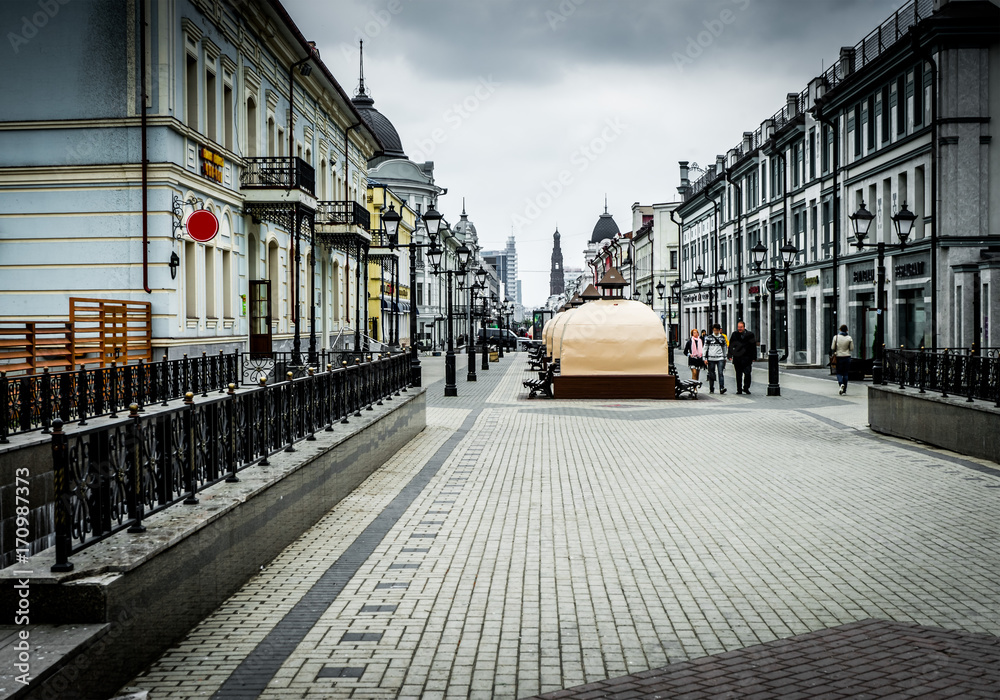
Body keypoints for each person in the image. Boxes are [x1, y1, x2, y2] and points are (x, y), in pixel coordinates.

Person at [728, 321, 757, 394]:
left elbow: (753, 346)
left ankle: (746, 387)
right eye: (738, 327)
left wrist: (754, 357)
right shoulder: (734, 334)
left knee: (747, 373)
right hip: (737, 357)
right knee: (738, 374)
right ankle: (739, 389)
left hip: (747, 357)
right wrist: (730, 355)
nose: (739, 329)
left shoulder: (750, 335)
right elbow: (731, 345)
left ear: (744, 327)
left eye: (741, 327)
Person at [703, 323, 728, 394]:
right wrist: (704, 358)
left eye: (717, 330)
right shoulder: (709, 338)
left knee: (720, 373)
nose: (716, 332)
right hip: (711, 358)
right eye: (714, 330)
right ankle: (711, 388)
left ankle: (721, 387)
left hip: (720, 358)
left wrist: (725, 357)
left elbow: (724, 348)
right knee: (711, 373)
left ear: (719, 330)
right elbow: (705, 348)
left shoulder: (722, 338)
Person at [831, 324, 855, 395]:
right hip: (847, 356)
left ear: (840, 330)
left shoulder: (836, 337)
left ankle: (841, 384)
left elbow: (833, 347)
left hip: (839, 356)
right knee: (845, 373)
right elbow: (851, 348)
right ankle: (845, 390)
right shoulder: (849, 338)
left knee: (839, 372)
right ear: (847, 330)